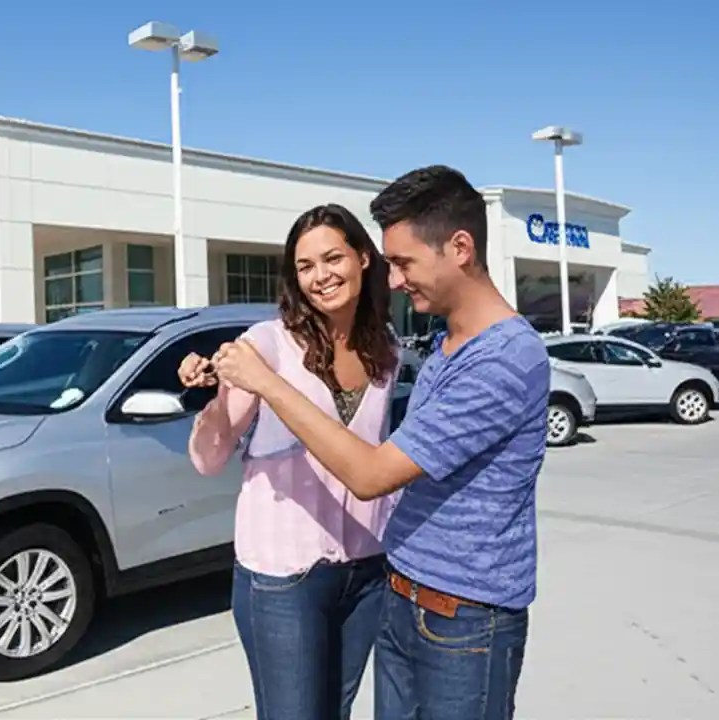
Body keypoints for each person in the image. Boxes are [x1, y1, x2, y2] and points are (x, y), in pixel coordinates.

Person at [210, 165, 549, 720]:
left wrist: (268, 384)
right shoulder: (444, 346)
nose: (394, 280)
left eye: (404, 263)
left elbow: (371, 475)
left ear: (460, 247)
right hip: (402, 599)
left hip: (464, 624)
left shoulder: (504, 359)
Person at [180, 203, 403, 720]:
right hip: (284, 575)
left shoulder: (385, 348)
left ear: (363, 258)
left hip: (367, 565)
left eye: (332, 258)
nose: (321, 277)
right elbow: (208, 457)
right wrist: (210, 397)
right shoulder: (267, 344)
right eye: (305, 267)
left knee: (335, 711)